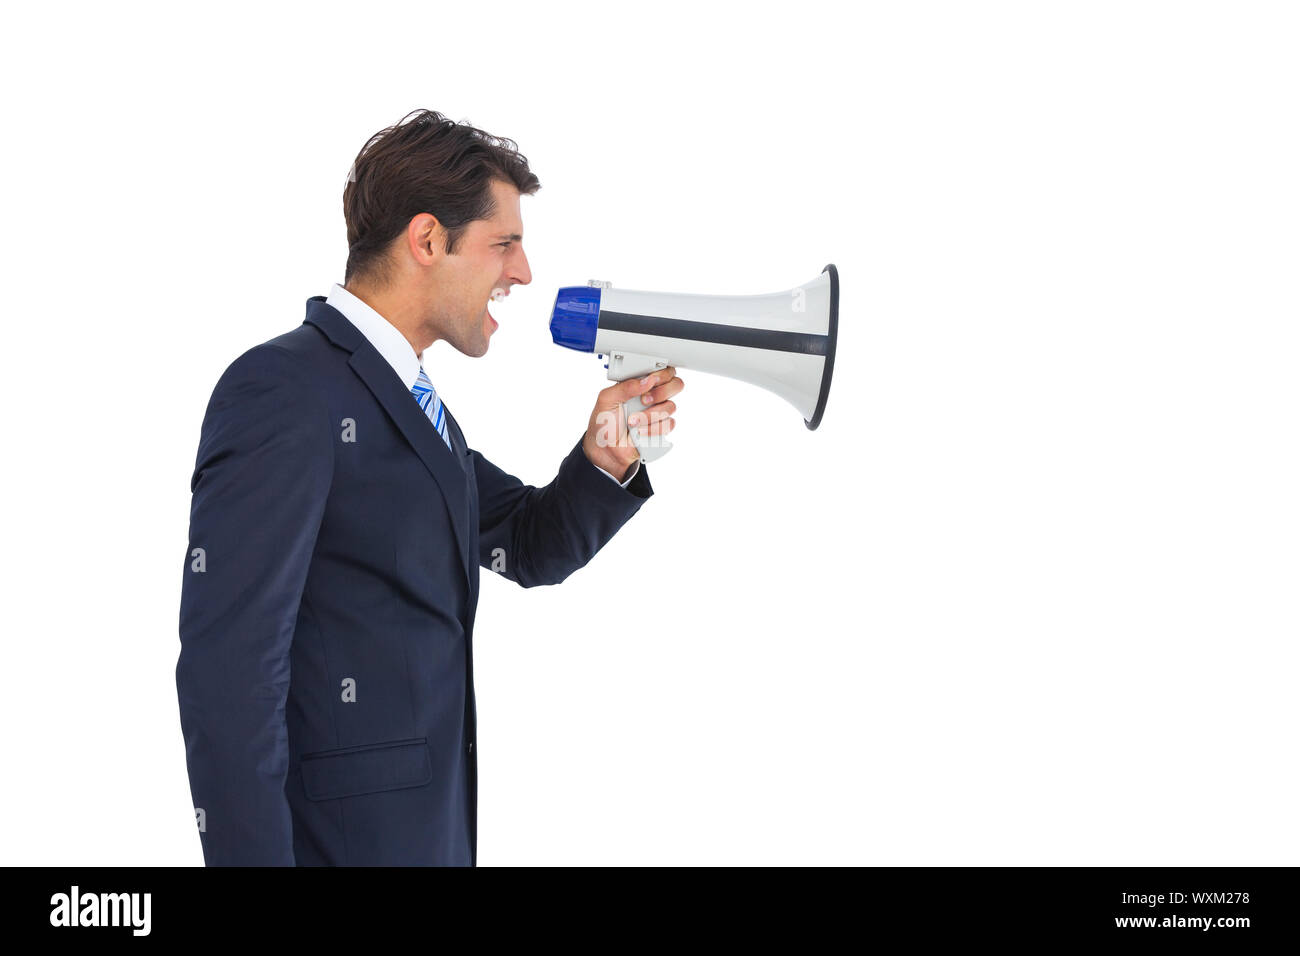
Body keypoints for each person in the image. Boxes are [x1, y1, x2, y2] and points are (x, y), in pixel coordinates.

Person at [175, 109, 683, 865]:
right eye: (503, 244)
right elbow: (230, 675)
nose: (523, 272)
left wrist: (610, 450)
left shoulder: (411, 403)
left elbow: (525, 542)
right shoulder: (285, 390)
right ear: (426, 240)